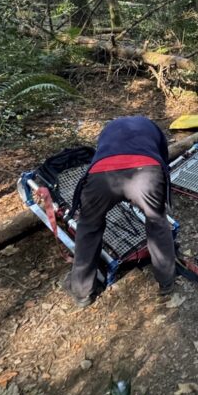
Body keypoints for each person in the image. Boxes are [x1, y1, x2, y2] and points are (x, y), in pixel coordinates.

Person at [63, 116, 176, 308]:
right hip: (145, 175)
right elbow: (163, 161)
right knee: (157, 222)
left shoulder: (108, 128)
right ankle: (166, 281)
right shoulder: (152, 127)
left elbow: (100, 154)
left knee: (89, 226)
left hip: (101, 176)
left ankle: (82, 293)